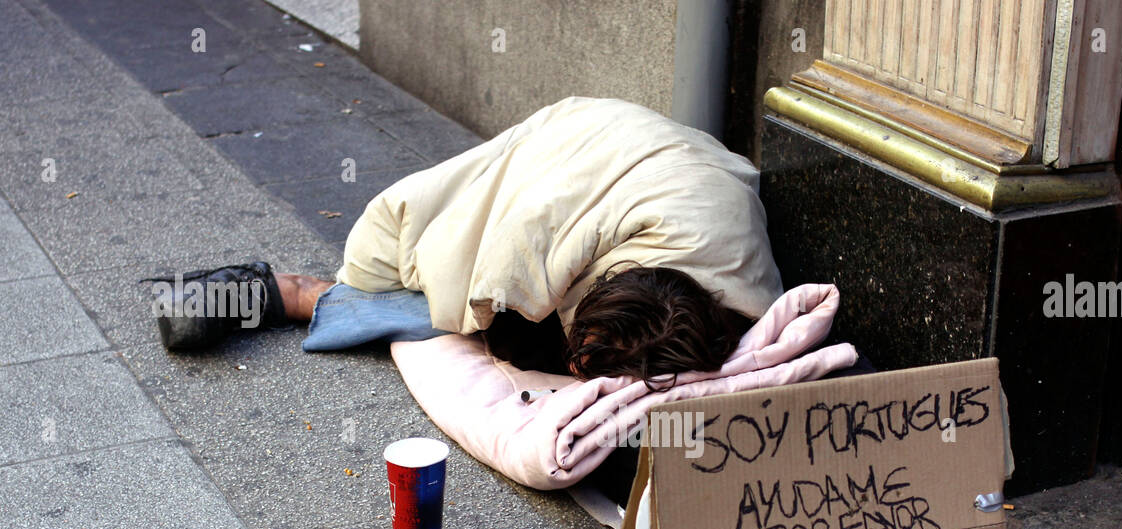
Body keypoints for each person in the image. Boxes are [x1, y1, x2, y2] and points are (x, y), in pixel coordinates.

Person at [150, 96, 784, 385]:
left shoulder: (737, 304)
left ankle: (286, 295)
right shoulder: (554, 237)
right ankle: (289, 290)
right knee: (464, 313)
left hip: (660, 171)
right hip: (581, 145)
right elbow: (492, 288)